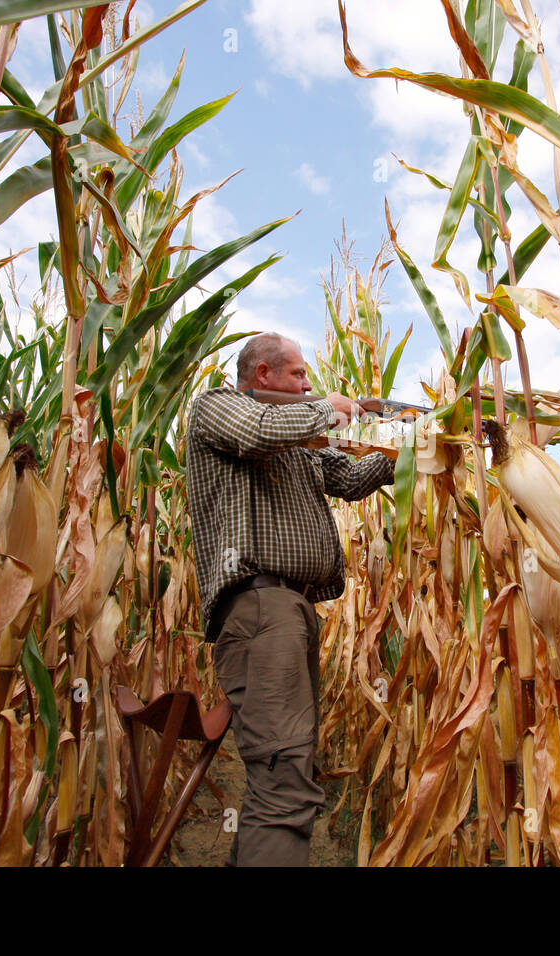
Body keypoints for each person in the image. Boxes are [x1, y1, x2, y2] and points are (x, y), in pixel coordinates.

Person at [185, 332, 396, 866]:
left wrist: (418, 450)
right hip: (261, 609)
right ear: (263, 375)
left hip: (292, 613)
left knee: (283, 772)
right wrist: (328, 410)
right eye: (299, 375)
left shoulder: (299, 443)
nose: (308, 384)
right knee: (285, 781)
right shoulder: (219, 408)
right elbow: (258, 432)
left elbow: (348, 478)